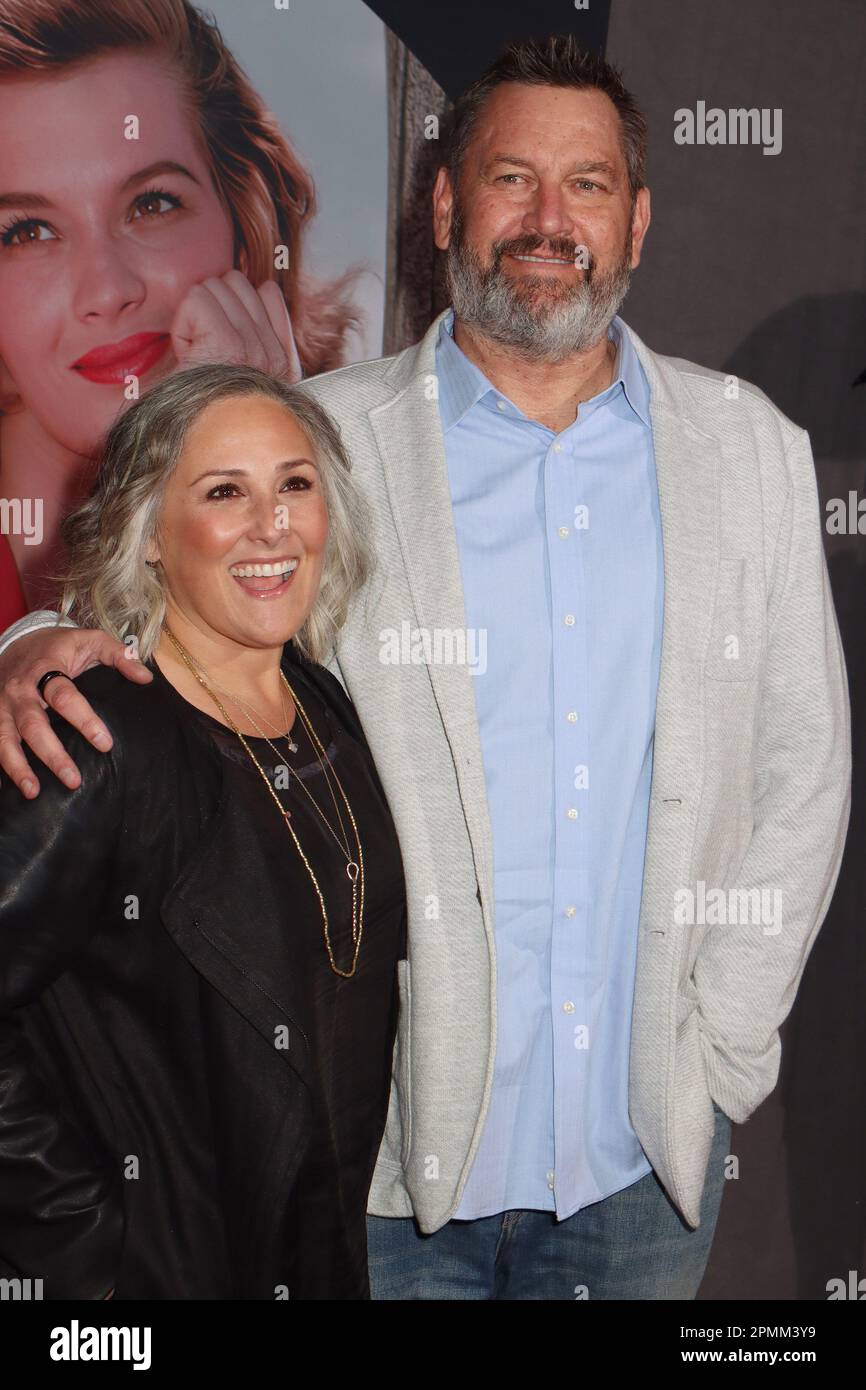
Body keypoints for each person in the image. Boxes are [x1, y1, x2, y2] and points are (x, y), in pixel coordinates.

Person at [0, 36, 851, 1300]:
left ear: (637, 221)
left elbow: (803, 771)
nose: (548, 220)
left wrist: (719, 1048)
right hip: (380, 1176)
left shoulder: (749, 454)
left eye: (588, 185)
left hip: (639, 1167)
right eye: (511, 178)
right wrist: (23, 647)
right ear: (445, 202)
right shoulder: (322, 438)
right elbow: (157, 634)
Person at [0, 362, 406, 1299]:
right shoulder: (95, 733)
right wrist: (94, 1246)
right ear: (149, 536)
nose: (273, 526)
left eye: (294, 485)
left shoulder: (321, 704)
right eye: (225, 492)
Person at [0, 0, 362, 609]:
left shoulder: (376, 476)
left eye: (151, 205)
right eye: (27, 232)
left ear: (244, 219)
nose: (108, 290)